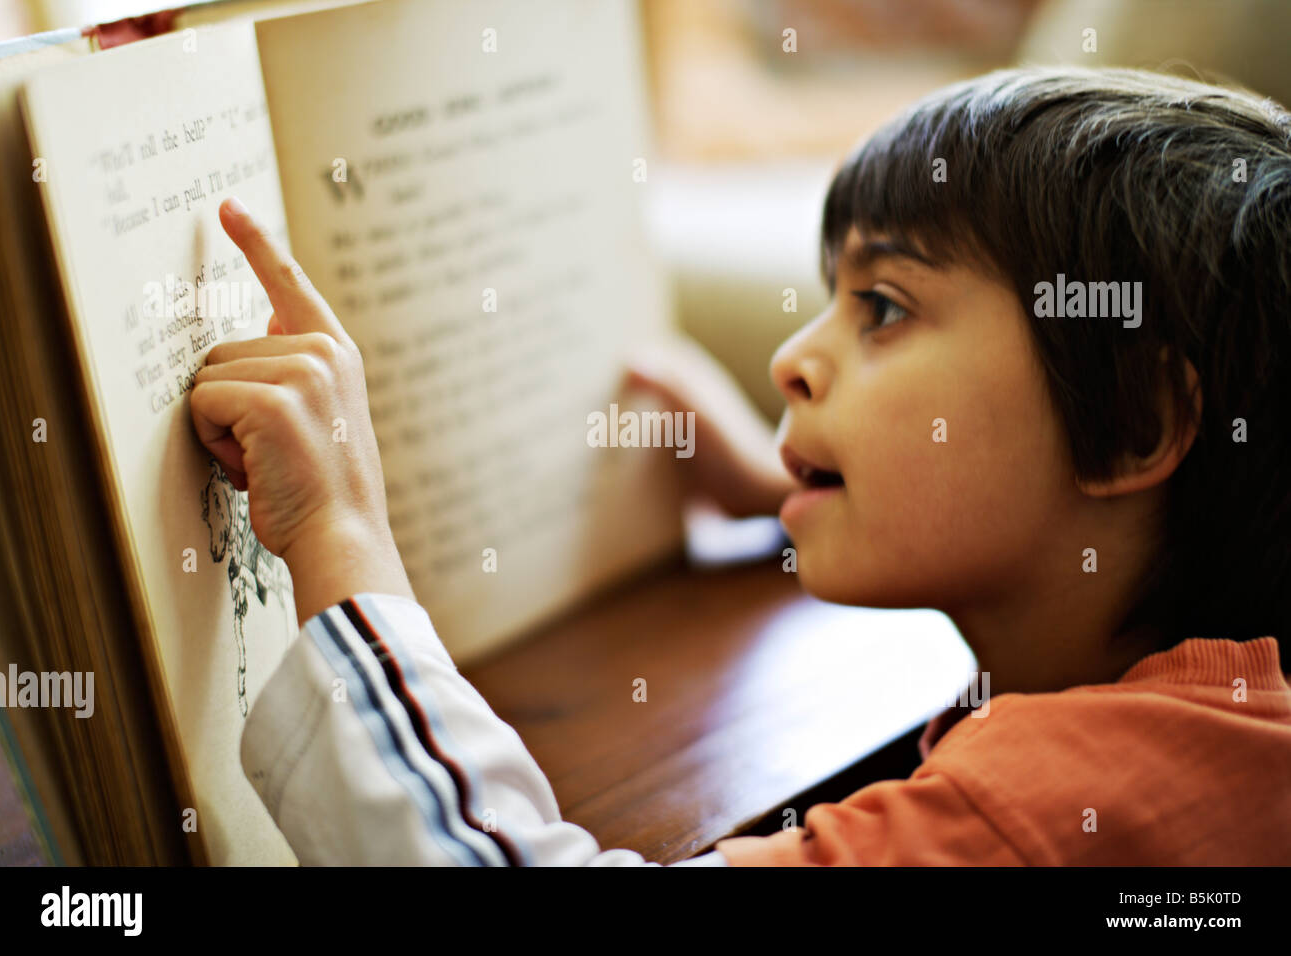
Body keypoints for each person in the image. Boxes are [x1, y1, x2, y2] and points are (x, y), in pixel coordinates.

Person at [190, 65, 1291, 865]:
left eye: (884, 307)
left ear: (1135, 421)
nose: (789, 358)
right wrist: (786, 496)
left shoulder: (1033, 813)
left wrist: (343, 534)